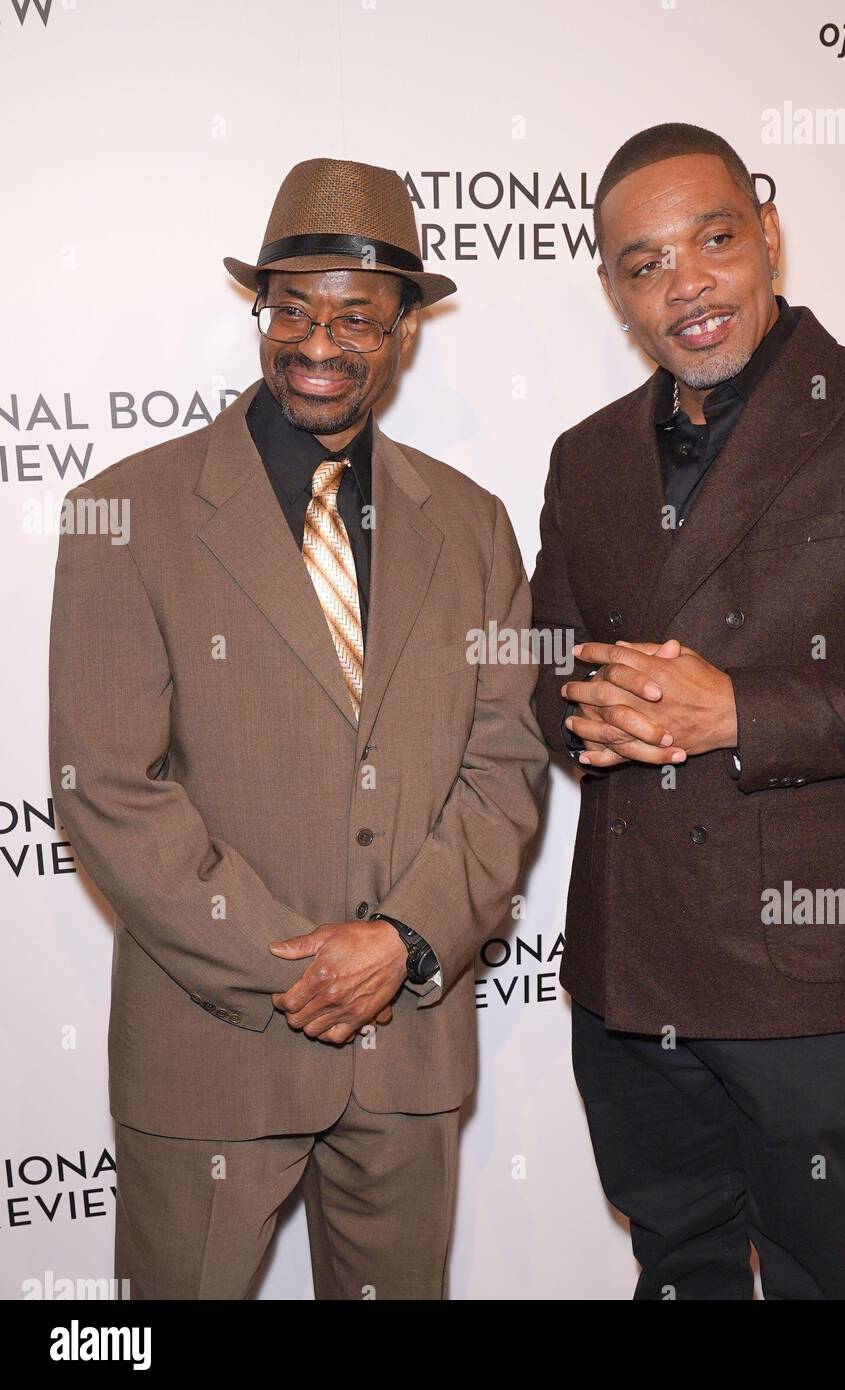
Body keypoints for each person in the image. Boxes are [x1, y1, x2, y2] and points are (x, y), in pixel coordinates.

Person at [530, 123, 845, 1299]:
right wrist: (585, 719)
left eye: (710, 240)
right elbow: (546, 667)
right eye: (642, 264)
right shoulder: (583, 455)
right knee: (678, 1262)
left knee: (835, 1274)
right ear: (613, 291)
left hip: (811, 959)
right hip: (631, 961)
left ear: (765, 233)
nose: (683, 285)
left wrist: (738, 709)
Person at [48, 157, 547, 1300]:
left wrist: (399, 943)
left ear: (407, 329)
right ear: (257, 313)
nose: (319, 341)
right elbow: (108, 787)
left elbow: (507, 762)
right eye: (292, 307)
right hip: (208, 1051)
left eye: (358, 315)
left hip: (408, 1052)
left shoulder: (472, 527)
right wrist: (297, 967)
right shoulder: (126, 515)